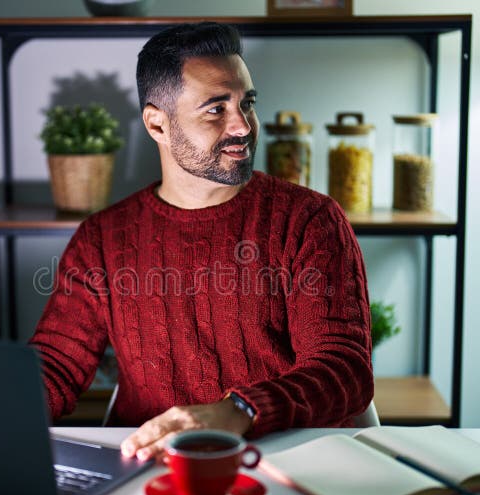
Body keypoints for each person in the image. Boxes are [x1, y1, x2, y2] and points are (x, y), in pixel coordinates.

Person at [30, 21, 373, 462]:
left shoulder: (309, 220)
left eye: (247, 104)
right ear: (157, 125)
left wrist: (241, 411)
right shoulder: (101, 239)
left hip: (283, 462)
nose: (243, 126)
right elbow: (56, 367)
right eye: (216, 109)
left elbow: (344, 369)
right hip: (149, 465)